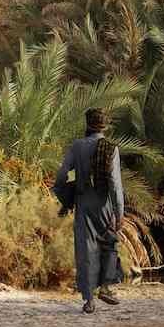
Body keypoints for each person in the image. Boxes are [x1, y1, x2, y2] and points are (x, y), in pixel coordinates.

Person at [52, 108, 124, 313]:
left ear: (88, 124)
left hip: (83, 203)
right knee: (109, 243)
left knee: (85, 250)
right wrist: (119, 213)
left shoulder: (77, 146)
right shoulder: (111, 148)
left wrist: (66, 196)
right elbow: (115, 184)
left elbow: (61, 175)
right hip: (104, 205)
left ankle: (89, 300)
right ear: (105, 126)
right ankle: (107, 287)